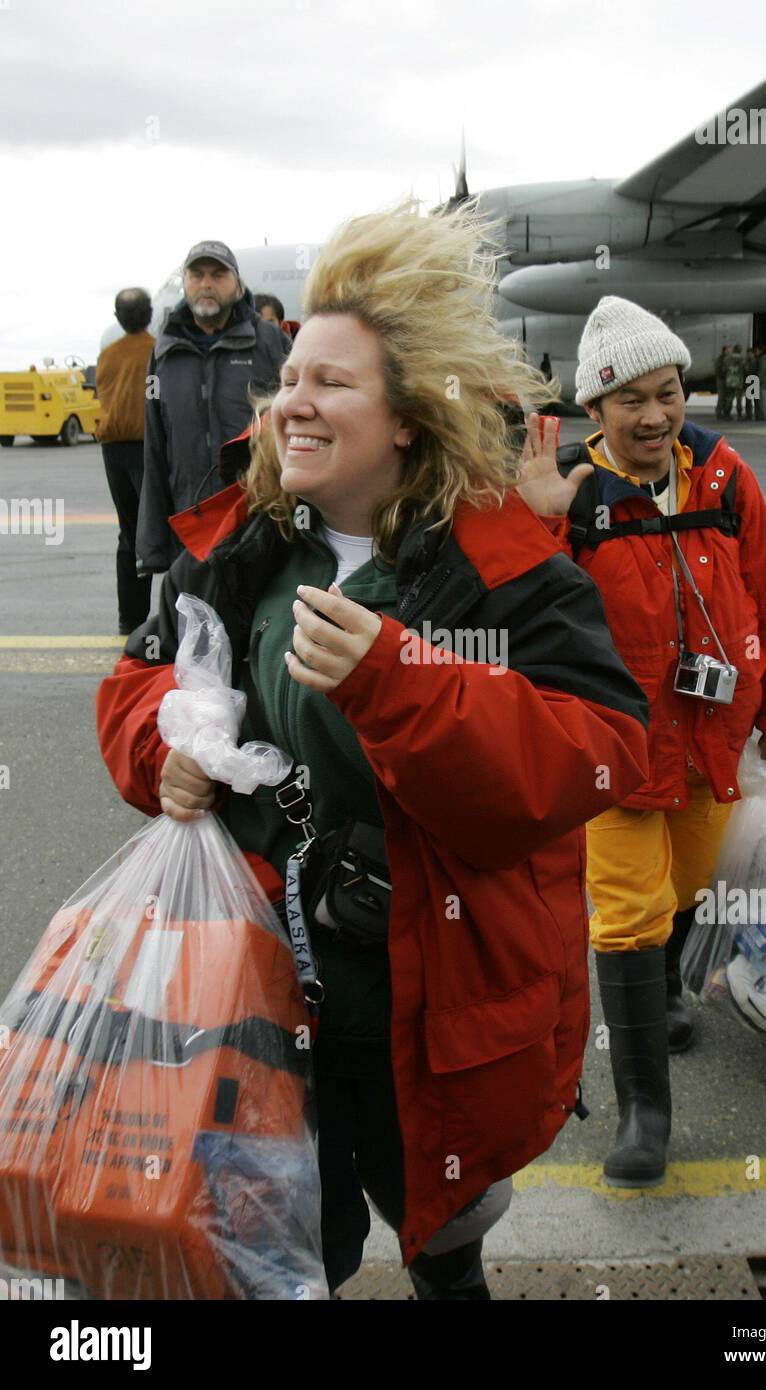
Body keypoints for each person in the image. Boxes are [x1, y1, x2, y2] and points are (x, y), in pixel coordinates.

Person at [96, 204, 650, 1297]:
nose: (292, 400)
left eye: (330, 382)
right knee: (275, 1257)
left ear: (405, 417)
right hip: (256, 1007)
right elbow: (135, 682)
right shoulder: (238, 546)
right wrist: (160, 751)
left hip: (426, 1015)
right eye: (289, 373)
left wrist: (404, 684)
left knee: (442, 1247)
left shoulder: (502, 564)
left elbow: (601, 754)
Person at [518, 296, 766, 1189]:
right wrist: (537, 522)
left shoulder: (724, 479)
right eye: (629, 401)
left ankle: (672, 991)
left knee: (685, 882)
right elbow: (515, 611)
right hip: (613, 743)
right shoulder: (568, 493)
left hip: (709, 735)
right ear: (595, 411)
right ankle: (644, 1112)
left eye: (669, 392)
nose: (654, 415)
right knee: (627, 910)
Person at [137, 241, 292, 576]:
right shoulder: (164, 354)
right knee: (196, 624)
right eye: (197, 274)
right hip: (192, 528)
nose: (206, 283)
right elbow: (155, 450)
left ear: (237, 285)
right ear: (186, 281)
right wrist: (152, 546)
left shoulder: (270, 343)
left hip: (261, 522)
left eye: (218, 274)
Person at [94, 288, 155, 635]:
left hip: (113, 450)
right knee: (163, 532)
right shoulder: (157, 351)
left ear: (118, 318)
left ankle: (130, 617)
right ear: (149, 315)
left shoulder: (107, 356)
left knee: (129, 534)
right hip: (148, 449)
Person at [726, 343, 746, 420]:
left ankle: (727, 414)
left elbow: (724, 368)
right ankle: (739, 415)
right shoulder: (741, 358)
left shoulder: (728, 357)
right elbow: (745, 368)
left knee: (729, 398)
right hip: (738, 381)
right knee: (739, 399)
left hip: (729, 381)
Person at [714, 345, 730, 419]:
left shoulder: (727, 358)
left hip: (726, 380)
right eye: (728, 350)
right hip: (721, 380)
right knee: (721, 397)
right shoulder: (721, 359)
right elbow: (718, 370)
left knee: (726, 397)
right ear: (724, 351)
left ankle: (724, 413)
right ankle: (719, 413)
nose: (729, 351)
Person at [743, 347, 758, 421]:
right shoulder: (749, 361)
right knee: (748, 400)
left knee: (754, 400)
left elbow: (750, 371)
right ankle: (749, 414)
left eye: (750, 353)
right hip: (749, 382)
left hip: (753, 382)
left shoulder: (754, 361)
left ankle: (753, 414)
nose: (748, 355)